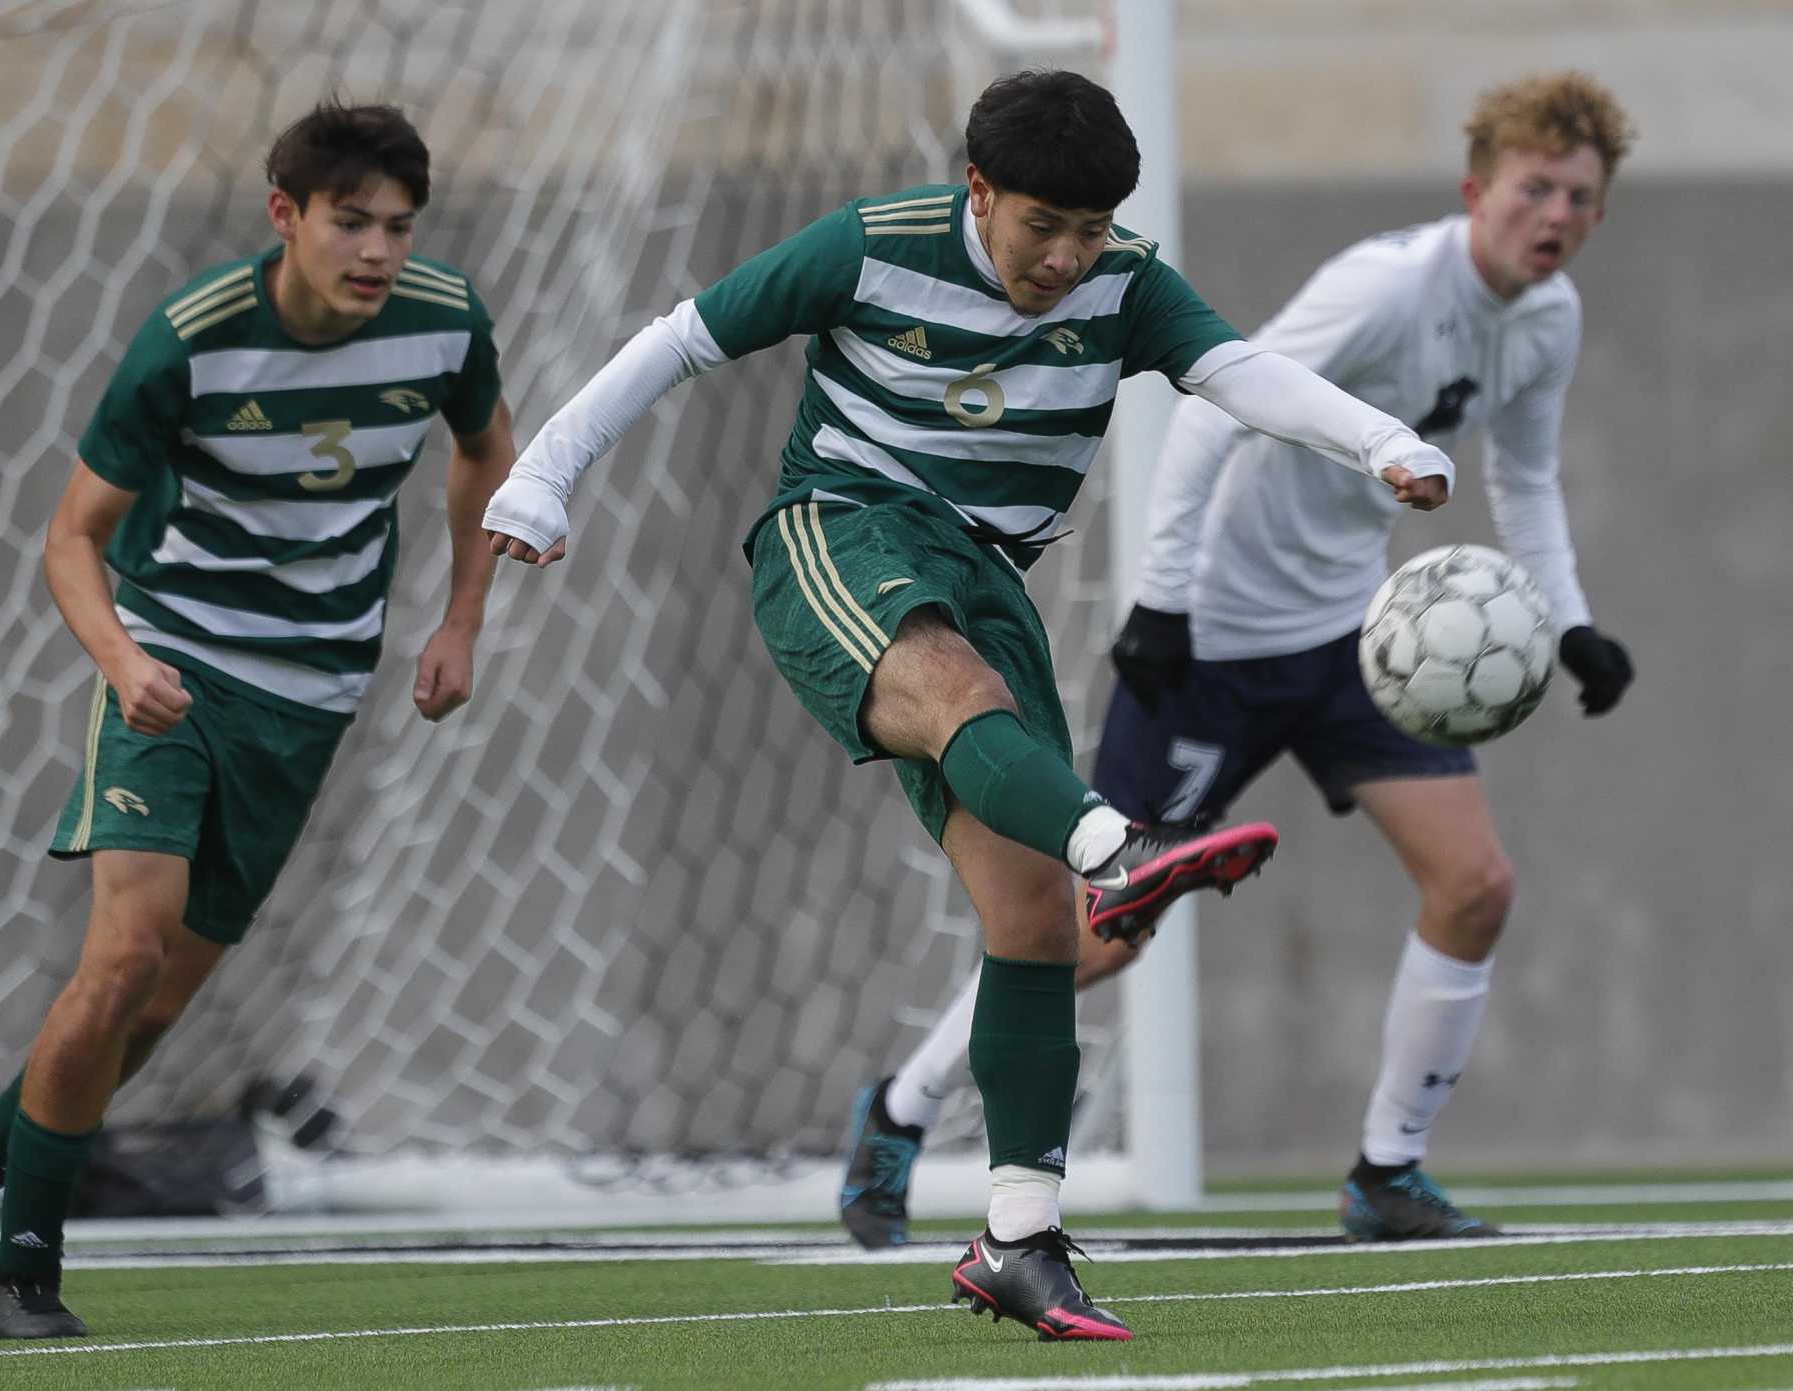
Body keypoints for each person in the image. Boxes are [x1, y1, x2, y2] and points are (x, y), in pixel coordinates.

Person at [484, 69, 1455, 1341]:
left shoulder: (1127, 279)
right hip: (843, 529)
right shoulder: (869, 246)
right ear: (977, 191)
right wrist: (542, 478)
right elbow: (679, 339)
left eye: (1089, 231)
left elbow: (1238, 376)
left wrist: (1381, 439)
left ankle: (1016, 1238)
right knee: (961, 699)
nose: (1062, 259)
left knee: (1031, 919)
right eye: (1038, 226)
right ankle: (1128, 846)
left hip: (987, 575)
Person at [837, 70, 1636, 1251]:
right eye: (1532, 188)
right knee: (1094, 937)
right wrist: (1159, 602)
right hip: (1206, 642)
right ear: (1478, 188)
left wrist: (1566, 621)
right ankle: (900, 1108)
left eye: (1576, 196)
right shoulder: (1387, 285)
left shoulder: (1547, 319)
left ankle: (1386, 1172)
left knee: (1475, 886)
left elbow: (1521, 475)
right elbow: (1216, 405)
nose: (1553, 215)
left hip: (1356, 643)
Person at [0, 100, 518, 1339]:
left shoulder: (444, 322)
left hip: (311, 697)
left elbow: (486, 454)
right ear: (285, 216)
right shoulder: (192, 339)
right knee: (117, 960)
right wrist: (120, 660)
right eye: (349, 222)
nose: (377, 250)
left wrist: (461, 621)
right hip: (172, 672)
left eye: (397, 226)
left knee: (154, 1010)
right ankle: (24, 1270)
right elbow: (71, 538)